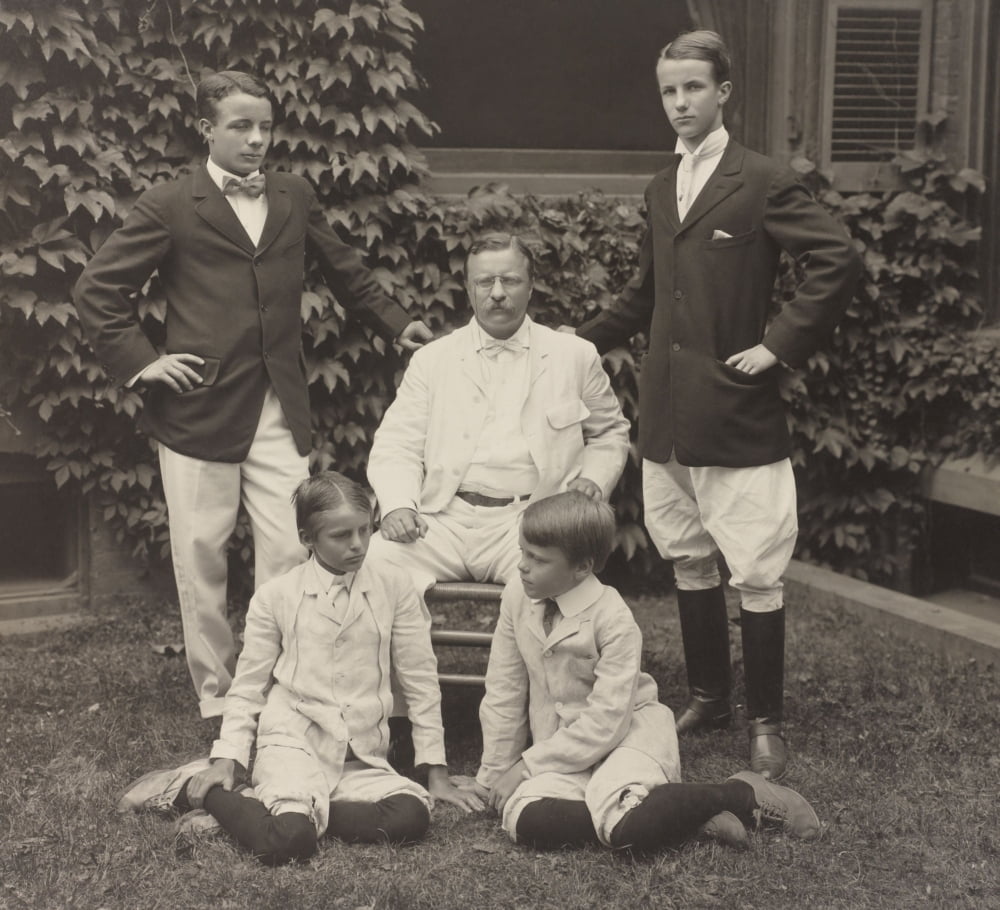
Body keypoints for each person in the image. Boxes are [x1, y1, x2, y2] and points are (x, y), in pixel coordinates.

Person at [73, 70, 431, 720]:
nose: (257, 139)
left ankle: (280, 686)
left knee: (293, 549)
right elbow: (98, 289)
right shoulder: (171, 203)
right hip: (197, 408)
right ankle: (218, 697)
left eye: (265, 126)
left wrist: (395, 323)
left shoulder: (293, 194)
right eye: (241, 126)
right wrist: (143, 363)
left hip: (279, 405)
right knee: (201, 557)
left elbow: (345, 268)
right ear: (205, 129)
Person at [569, 31, 863, 780]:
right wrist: (571, 344)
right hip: (667, 413)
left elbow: (837, 258)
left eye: (693, 87)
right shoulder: (659, 186)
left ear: (723, 92)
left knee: (756, 566)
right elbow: (644, 295)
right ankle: (709, 698)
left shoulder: (760, 179)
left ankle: (765, 722)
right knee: (689, 557)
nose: (680, 103)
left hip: (736, 407)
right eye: (669, 91)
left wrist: (777, 345)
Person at [117, 471, 482, 866]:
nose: (358, 544)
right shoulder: (276, 596)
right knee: (288, 842)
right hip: (293, 744)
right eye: (341, 535)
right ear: (307, 539)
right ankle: (200, 788)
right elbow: (248, 686)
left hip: (360, 756)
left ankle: (261, 808)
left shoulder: (395, 585)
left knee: (411, 816)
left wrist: (437, 773)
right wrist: (228, 759)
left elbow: (420, 679)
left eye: (365, 530)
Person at [469, 491, 821, 852]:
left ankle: (740, 794)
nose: (522, 566)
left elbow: (606, 722)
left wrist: (526, 766)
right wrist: (492, 775)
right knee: (524, 818)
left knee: (627, 826)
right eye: (523, 552)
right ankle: (680, 817)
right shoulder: (517, 596)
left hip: (625, 735)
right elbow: (504, 688)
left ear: (582, 567)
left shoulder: (613, 618)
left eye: (538, 559)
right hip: (562, 747)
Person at [366, 232, 630, 595]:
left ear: (531, 286)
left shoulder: (574, 355)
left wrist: (594, 480)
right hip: (441, 521)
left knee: (550, 586)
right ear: (469, 288)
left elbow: (608, 433)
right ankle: (405, 637)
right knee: (371, 567)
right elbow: (397, 443)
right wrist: (398, 505)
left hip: (532, 521)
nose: (498, 292)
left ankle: (526, 634)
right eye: (485, 281)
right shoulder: (433, 359)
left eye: (510, 280)